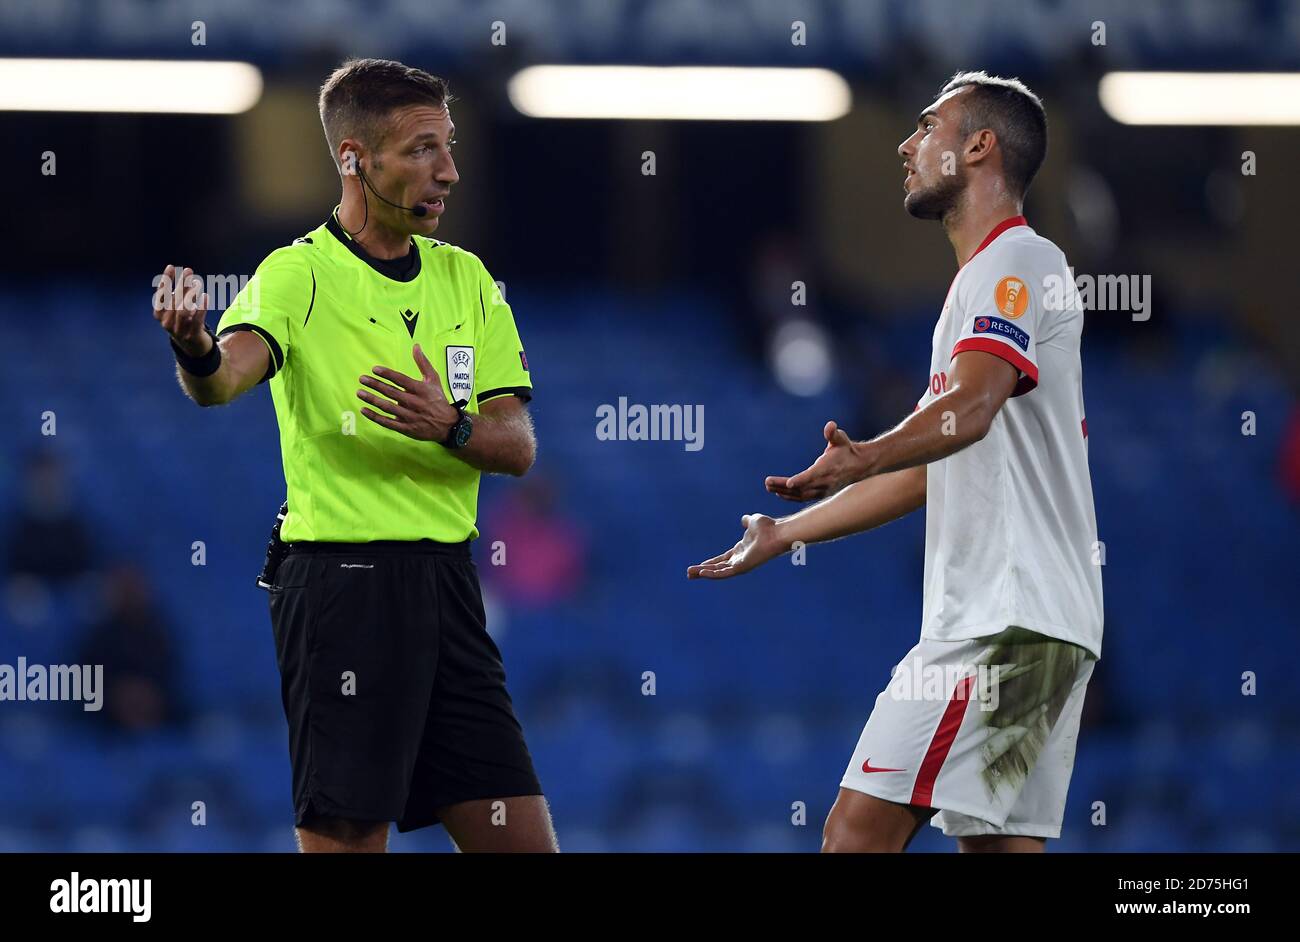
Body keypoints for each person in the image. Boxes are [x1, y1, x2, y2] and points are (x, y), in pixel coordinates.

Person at [689, 71, 1103, 853]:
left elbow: (970, 409)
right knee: (994, 848)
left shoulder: (1013, 263)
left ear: (979, 147)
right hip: (1044, 622)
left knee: (853, 837)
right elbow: (930, 464)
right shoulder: (985, 282)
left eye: (926, 126)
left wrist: (865, 453)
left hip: (999, 620)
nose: (907, 145)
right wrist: (788, 532)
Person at [152, 58, 556, 853]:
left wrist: (453, 425)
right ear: (354, 160)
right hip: (343, 586)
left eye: (449, 146)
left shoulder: (469, 280)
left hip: (448, 587)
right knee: (348, 837)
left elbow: (517, 447)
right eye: (421, 150)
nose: (449, 170)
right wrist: (195, 343)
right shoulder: (297, 275)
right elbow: (222, 380)